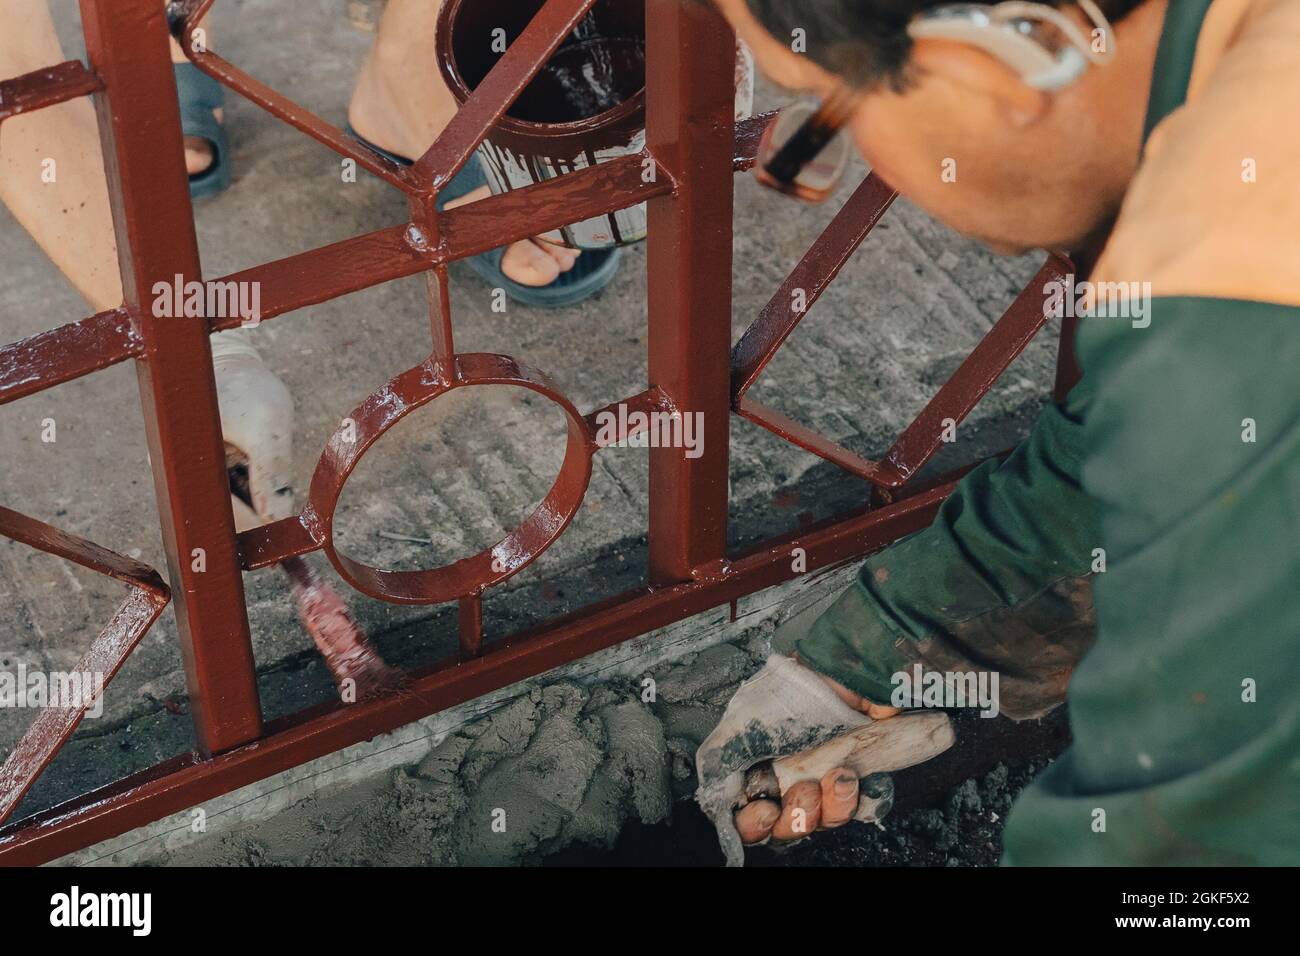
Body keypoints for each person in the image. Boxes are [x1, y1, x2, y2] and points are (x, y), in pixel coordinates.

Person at [696, 0, 1299, 866]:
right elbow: (1128, 465)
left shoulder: (1229, 282)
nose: (870, 168)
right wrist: (864, 661)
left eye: (827, 118)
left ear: (985, 65)